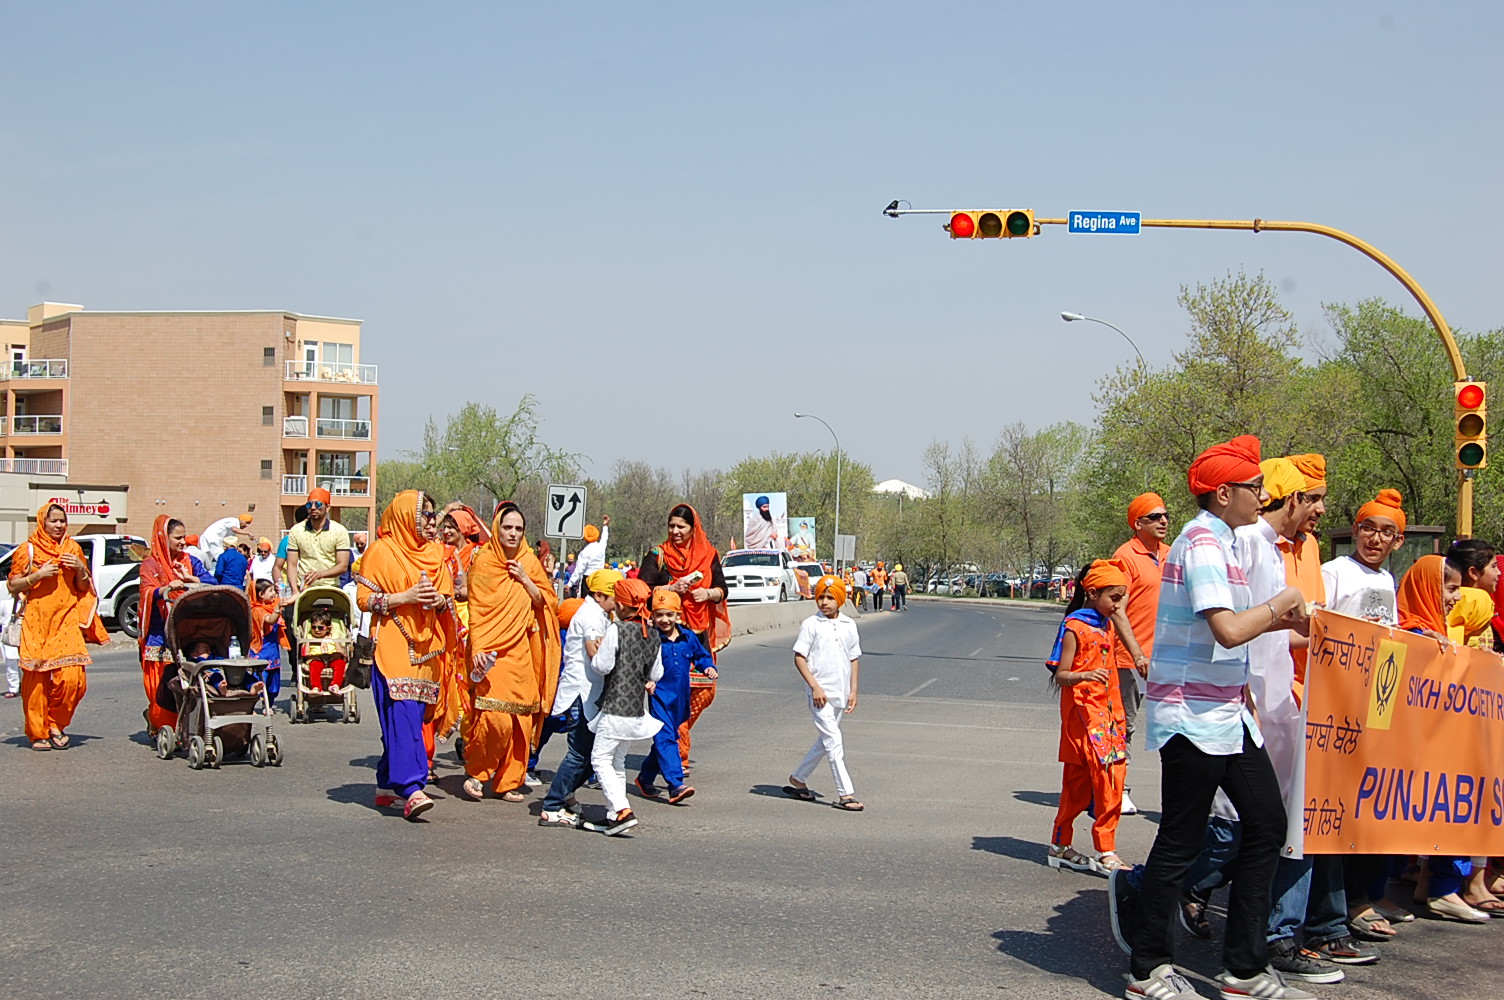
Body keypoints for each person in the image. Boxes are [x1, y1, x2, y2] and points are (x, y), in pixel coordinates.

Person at [1109, 435, 1312, 1000]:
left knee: (1267, 825)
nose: (1263, 496)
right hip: (1190, 716)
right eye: (1255, 487)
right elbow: (1227, 629)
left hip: (1227, 714)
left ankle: (1244, 970)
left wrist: (1290, 623)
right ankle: (1148, 969)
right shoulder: (1201, 542)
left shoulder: (1224, 542)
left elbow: (1230, 626)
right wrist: (1282, 603)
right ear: (1224, 493)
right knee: (1181, 839)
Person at [355, 490, 458, 822]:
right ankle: (412, 788)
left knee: (411, 718)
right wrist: (405, 597)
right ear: (404, 516)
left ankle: (387, 783)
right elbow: (364, 600)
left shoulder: (434, 553)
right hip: (392, 642)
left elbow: (446, 598)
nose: (431, 522)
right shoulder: (381, 551)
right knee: (403, 715)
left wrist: (439, 602)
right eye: (424, 514)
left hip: (428, 646)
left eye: (431, 515)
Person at [461, 501, 559, 802]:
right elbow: (477, 610)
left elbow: (547, 603)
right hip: (491, 652)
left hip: (522, 650)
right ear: (496, 529)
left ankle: (508, 781)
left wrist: (526, 579)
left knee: (521, 719)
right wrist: (478, 647)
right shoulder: (484, 562)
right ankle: (478, 773)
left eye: (518, 528)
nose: (513, 533)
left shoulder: (529, 561)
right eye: (507, 528)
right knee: (495, 717)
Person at [1045, 559, 1130, 874]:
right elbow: (1061, 675)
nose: (1119, 605)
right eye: (1114, 598)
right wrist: (1085, 675)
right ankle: (1105, 850)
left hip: (1108, 715)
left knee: (1094, 780)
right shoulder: (1075, 627)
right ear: (1093, 593)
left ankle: (1061, 845)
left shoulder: (1106, 624)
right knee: (1101, 780)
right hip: (1084, 717)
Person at [636, 504, 731, 769]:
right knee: (672, 694)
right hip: (668, 634)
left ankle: (674, 737)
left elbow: (722, 589)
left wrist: (708, 594)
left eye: (681, 526)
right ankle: (678, 755)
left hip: (697, 634)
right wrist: (671, 587)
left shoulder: (709, 554)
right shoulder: (658, 555)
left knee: (705, 691)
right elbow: (642, 590)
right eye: (672, 526)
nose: (675, 531)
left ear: (693, 528)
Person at [537, 568, 620, 828]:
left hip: (591, 694)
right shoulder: (591, 616)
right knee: (579, 753)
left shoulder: (600, 614)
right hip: (581, 694)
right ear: (599, 595)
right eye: (615, 597)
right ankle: (552, 806)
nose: (618, 602)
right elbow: (596, 654)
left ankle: (566, 794)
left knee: (594, 755)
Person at [8, 502, 94, 751]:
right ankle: (38, 733)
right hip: (36, 621)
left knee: (74, 679)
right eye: (53, 520)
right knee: (37, 681)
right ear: (42, 522)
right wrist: (37, 575)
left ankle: (56, 723)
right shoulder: (28, 549)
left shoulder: (73, 548)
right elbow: (13, 586)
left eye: (62, 521)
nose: (58, 525)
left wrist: (80, 569)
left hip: (66, 619)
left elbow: (83, 586)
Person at [582, 577, 663, 836]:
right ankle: (614, 814)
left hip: (615, 706)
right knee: (617, 761)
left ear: (622, 605)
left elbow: (603, 666)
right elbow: (656, 673)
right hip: (636, 709)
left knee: (600, 759)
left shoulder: (618, 630)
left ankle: (621, 810)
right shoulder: (653, 634)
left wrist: (596, 652)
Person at [1111, 492, 1171, 816]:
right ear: (1137, 524)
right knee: (1124, 725)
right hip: (1129, 659)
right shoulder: (1126, 556)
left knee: (1173, 727)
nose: (1163, 521)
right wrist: (1137, 655)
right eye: (1154, 517)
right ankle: (1116, 789)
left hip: (1167, 659)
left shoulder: (1171, 554)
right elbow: (1116, 610)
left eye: (1165, 516)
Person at [783, 575, 863, 810]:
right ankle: (846, 793)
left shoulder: (849, 625)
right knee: (834, 741)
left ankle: (798, 778)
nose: (825, 602)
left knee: (826, 740)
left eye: (830, 598)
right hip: (820, 694)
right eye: (821, 597)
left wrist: (853, 690)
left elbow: (853, 658)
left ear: (840, 600)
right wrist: (815, 687)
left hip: (841, 692)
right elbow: (800, 658)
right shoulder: (812, 624)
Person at [139, 515, 214, 738]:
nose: (183, 542)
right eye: (178, 538)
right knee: (158, 687)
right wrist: (165, 590)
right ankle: (162, 726)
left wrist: (190, 579)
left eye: (184, 537)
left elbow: (212, 582)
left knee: (186, 682)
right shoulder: (150, 565)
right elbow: (146, 592)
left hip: (187, 630)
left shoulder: (190, 561)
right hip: (159, 634)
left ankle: (182, 727)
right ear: (164, 538)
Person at [635, 588, 710, 804]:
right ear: (652, 616)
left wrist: (707, 667)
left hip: (681, 699)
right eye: (659, 615)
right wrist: (646, 680)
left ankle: (645, 778)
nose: (664, 620)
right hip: (659, 697)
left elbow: (701, 656)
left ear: (678, 615)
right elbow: (640, 664)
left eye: (669, 615)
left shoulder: (688, 637)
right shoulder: (650, 638)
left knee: (667, 738)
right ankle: (676, 785)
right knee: (666, 737)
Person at [1321, 490, 1404, 626]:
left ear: (1397, 542)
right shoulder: (1333, 571)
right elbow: (1315, 622)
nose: (1375, 539)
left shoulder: (1387, 579)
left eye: (1387, 532)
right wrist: (1356, 628)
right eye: (1368, 528)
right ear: (1355, 531)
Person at [249, 577, 285, 703]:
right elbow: (270, 620)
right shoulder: (257, 610)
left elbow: (287, 600)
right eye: (270, 591)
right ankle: (252, 705)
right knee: (260, 681)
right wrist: (278, 608)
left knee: (274, 685)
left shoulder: (271, 605)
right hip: (261, 652)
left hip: (273, 653)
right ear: (261, 594)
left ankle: (268, 704)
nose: (273, 593)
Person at [299, 606, 348, 694]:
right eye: (313, 627)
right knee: (314, 666)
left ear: (328, 628)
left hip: (332, 658)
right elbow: (306, 653)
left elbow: (340, 651)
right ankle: (316, 687)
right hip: (316, 658)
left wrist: (337, 651)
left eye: (320, 628)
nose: (317, 630)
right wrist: (311, 655)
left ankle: (335, 685)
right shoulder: (309, 637)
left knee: (340, 664)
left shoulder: (333, 636)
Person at [567, 515, 610, 597]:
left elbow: (579, 569)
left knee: (586, 601)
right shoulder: (601, 547)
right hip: (599, 578)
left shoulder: (584, 552)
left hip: (588, 579)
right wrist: (605, 526)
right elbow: (605, 537)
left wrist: (570, 584)